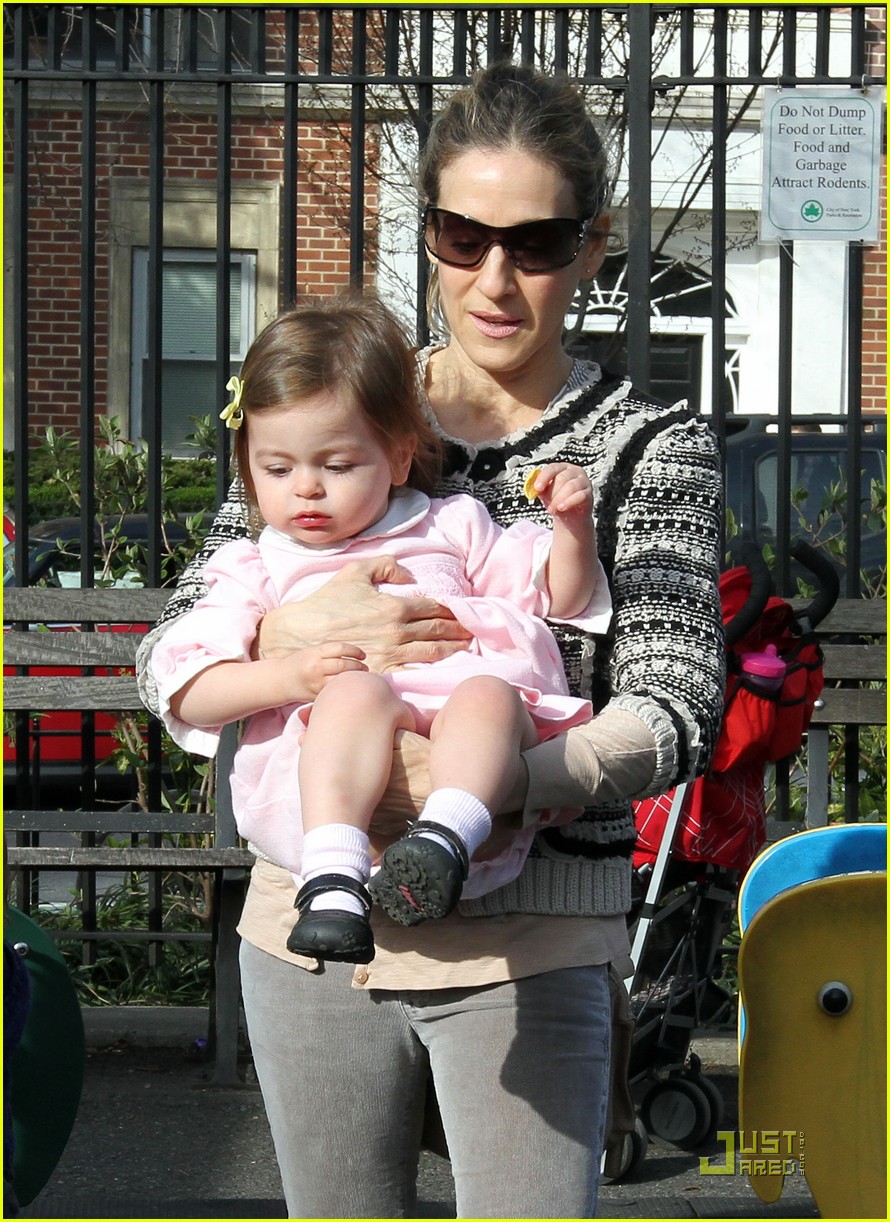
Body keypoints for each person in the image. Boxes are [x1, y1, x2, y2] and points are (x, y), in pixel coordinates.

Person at [137, 61, 725, 1220]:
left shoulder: (651, 444)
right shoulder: (336, 399)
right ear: (432, 237)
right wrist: (300, 634)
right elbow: (181, 637)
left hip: (532, 930)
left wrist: (479, 787)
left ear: (592, 249)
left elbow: (673, 697)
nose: (493, 278)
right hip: (309, 916)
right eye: (462, 237)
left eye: (536, 243)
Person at [149, 298, 611, 966]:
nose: (305, 489)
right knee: (352, 695)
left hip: (465, 752)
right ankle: (332, 880)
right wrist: (290, 675)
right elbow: (188, 687)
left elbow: (558, 595)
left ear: (397, 458)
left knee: (488, 694)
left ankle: (442, 842)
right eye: (276, 468)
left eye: (337, 466)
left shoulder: (451, 524)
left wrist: (572, 526)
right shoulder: (257, 563)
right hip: (333, 765)